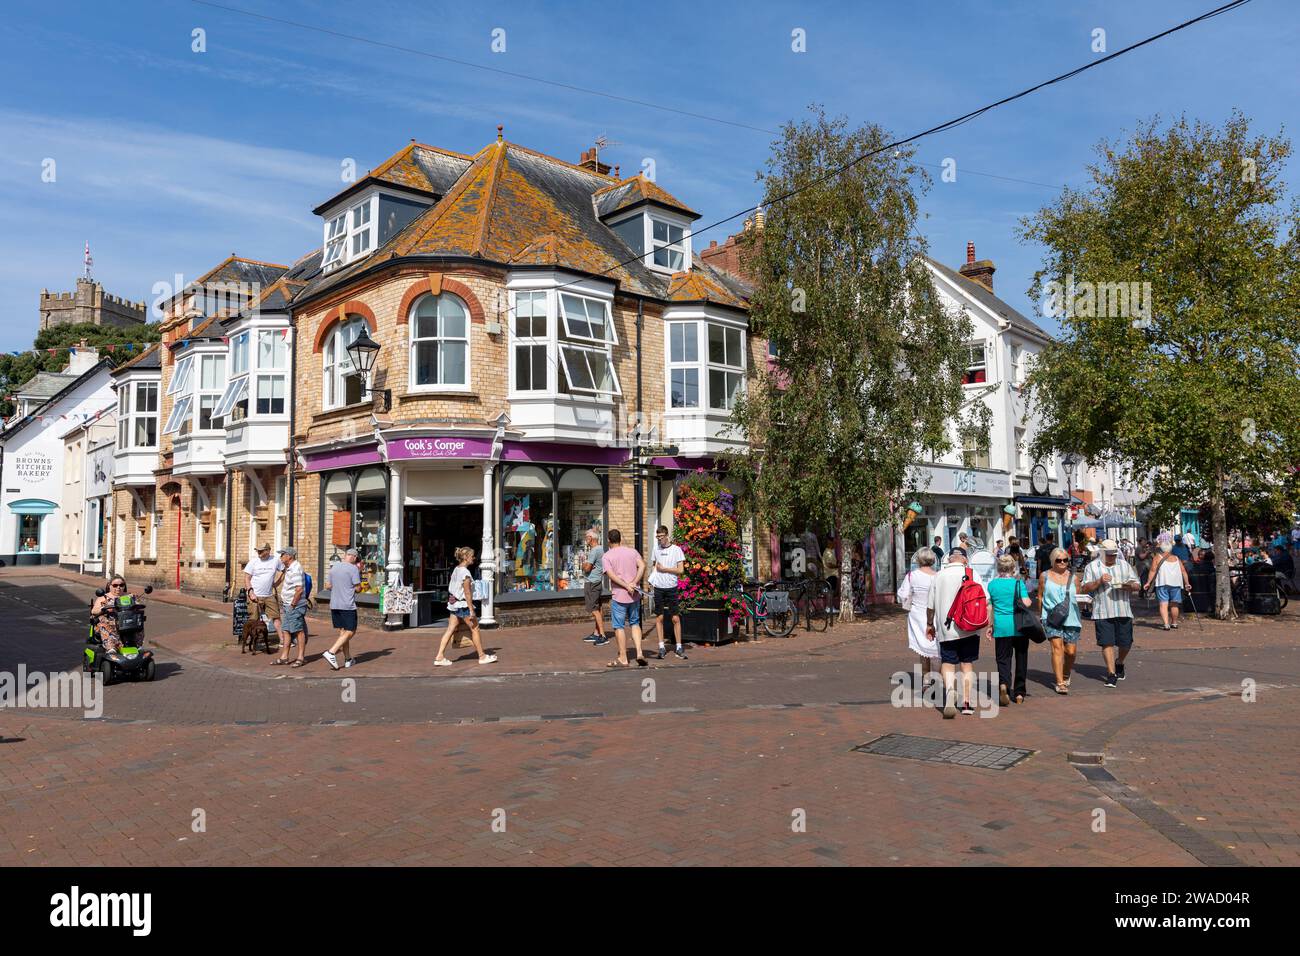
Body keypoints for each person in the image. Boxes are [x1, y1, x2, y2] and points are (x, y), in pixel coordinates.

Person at [926, 547, 988, 718]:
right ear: (965, 559)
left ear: (949, 559)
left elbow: (930, 606)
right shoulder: (972, 573)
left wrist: (929, 624)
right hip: (969, 627)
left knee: (948, 662)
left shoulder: (939, 576)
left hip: (947, 629)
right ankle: (966, 703)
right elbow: (986, 598)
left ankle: (950, 692)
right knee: (967, 664)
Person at [1079, 539, 1140, 687]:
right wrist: (1099, 581)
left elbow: (1137, 585)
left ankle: (1119, 662)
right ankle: (1111, 673)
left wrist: (1129, 586)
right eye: (1109, 554)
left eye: (1114, 554)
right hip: (1102, 610)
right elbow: (1085, 588)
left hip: (1123, 609)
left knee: (1126, 643)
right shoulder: (1092, 567)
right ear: (1101, 552)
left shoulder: (1124, 565)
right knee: (1106, 642)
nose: (1112, 557)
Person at [434, 547, 496, 666]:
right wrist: (471, 610)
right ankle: (482, 656)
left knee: (450, 629)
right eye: (472, 556)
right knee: (475, 629)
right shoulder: (466, 573)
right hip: (463, 605)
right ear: (466, 557)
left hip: (454, 604)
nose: (474, 558)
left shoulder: (456, 570)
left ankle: (439, 656)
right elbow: (467, 593)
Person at [987, 555, 1033, 705]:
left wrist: (990, 625)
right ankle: (1019, 693)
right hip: (1019, 626)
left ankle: (1004, 685)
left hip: (1001, 627)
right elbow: (1027, 603)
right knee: (1021, 658)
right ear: (1013, 568)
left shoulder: (992, 584)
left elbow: (990, 607)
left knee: (1003, 659)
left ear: (998, 568)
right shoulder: (1018, 584)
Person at [601, 529, 647, 667]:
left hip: (619, 595)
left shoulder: (607, 556)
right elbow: (643, 566)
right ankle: (639, 652)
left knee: (619, 626)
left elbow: (611, 575)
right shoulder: (632, 552)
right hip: (634, 595)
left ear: (609, 540)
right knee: (635, 623)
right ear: (620, 539)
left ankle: (623, 657)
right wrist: (634, 582)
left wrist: (626, 585)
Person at [1038, 547, 1080, 694]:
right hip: (1051, 617)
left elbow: (1078, 596)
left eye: (1065, 560)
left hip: (1072, 617)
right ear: (1052, 561)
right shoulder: (1045, 576)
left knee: (1071, 652)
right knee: (1057, 648)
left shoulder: (1074, 577)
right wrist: (1041, 615)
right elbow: (1040, 595)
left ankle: (1066, 673)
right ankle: (1060, 682)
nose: (1062, 563)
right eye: (1059, 560)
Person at [897, 547, 939, 692]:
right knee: (936, 649)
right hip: (935, 615)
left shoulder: (912, 575)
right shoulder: (938, 576)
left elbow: (902, 594)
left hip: (918, 614)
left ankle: (926, 681)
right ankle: (936, 678)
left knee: (923, 650)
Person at [650, 525, 687, 660]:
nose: (659, 539)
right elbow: (654, 566)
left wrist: (665, 569)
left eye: (661, 536)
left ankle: (678, 646)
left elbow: (681, 570)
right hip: (658, 587)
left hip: (671, 587)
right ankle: (661, 647)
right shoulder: (656, 549)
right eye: (657, 537)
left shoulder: (676, 550)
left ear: (667, 535)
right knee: (659, 617)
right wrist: (651, 580)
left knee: (675, 618)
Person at [322, 548, 362, 670]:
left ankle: (348, 659)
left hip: (335, 604)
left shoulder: (334, 567)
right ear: (354, 558)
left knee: (343, 633)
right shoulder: (353, 568)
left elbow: (328, 586)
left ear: (346, 556)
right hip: (347, 605)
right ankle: (331, 652)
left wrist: (340, 585)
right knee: (351, 631)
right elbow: (358, 588)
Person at [243, 542, 285, 651]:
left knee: (276, 617)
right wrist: (250, 592)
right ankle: (253, 642)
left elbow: (284, 570)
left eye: (261, 551)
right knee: (254, 619)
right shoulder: (253, 562)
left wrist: (277, 583)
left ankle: (282, 640)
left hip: (269, 595)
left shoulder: (275, 560)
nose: (259, 553)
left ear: (268, 550)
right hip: (255, 595)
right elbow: (247, 578)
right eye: (258, 551)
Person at [273, 547, 308, 667]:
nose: (281, 557)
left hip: (295, 606)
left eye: (282, 554)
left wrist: (293, 605)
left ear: (289, 556)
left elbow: (299, 589)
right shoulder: (289, 569)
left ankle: (301, 658)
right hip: (288, 605)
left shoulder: (295, 569)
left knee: (298, 631)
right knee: (286, 630)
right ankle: (284, 657)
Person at [1145, 542, 1191, 631]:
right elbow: (1183, 571)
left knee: (1163, 604)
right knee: (1174, 604)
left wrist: (1148, 582)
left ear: (1161, 549)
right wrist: (1187, 583)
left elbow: (1153, 571)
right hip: (1176, 583)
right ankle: (1174, 622)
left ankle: (1166, 624)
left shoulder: (1157, 557)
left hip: (1163, 582)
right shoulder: (1176, 558)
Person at [580, 529, 609, 646]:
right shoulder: (601, 549)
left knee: (594, 609)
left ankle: (603, 635)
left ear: (591, 538)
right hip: (597, 581)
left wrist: (583, 564)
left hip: (592, 582)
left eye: (586, 537)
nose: (585, 539)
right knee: (597, 607)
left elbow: (587, 568)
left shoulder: (594, 551)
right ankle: (597, 633)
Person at [90, 575, 131, 653]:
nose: (118, 587)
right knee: (104, 621)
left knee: (138, 621)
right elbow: (94, 611)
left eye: (121, 585)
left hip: (125, 622)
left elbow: (139, 607)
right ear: (110, 586)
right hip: (107, 623)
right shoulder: (104, 597)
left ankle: (137, 645)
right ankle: (111, 647)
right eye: (115, 585)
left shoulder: (129, 596)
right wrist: (104, 608)